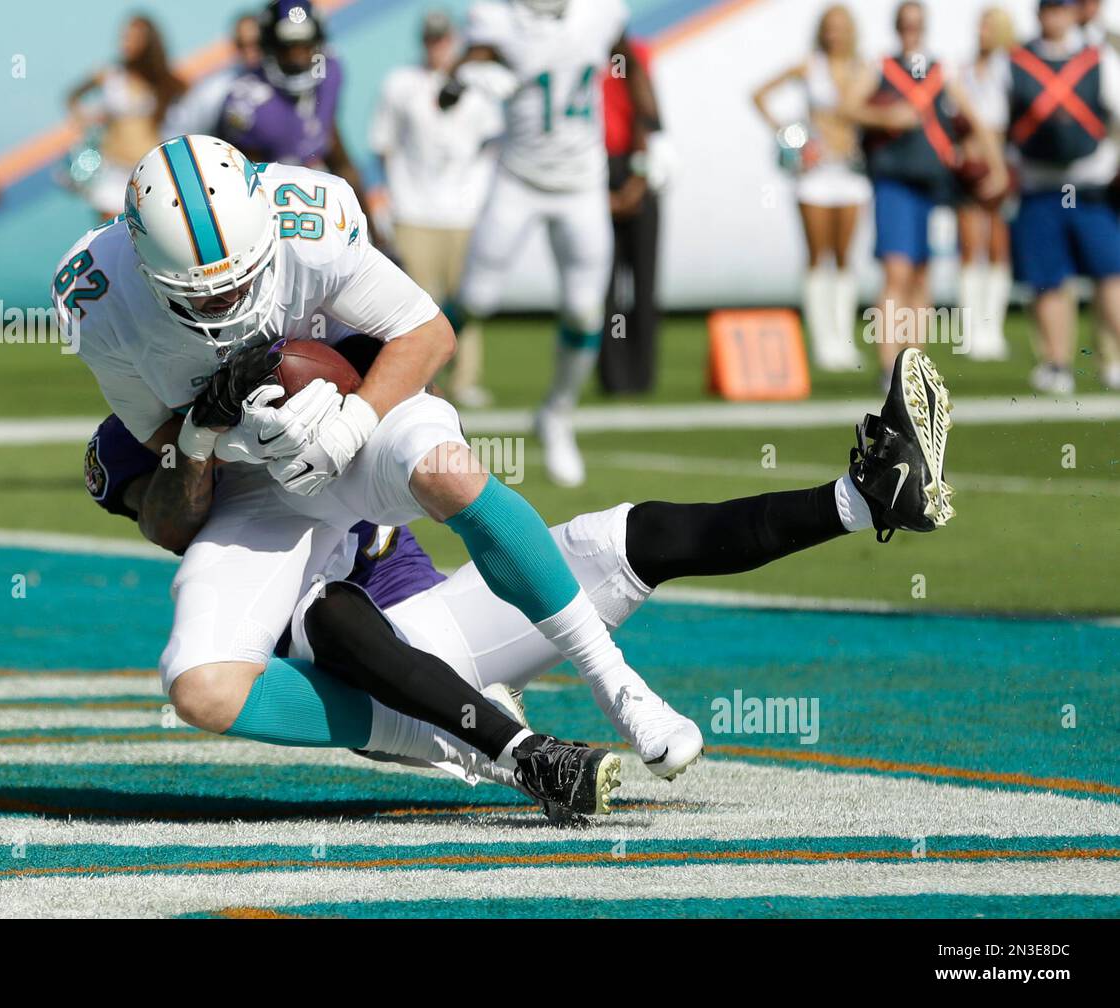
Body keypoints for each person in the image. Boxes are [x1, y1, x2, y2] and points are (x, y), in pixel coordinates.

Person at [55, 137, 714, 821]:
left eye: (243, 279)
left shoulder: (310, 220)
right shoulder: (98, 301)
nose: (229, 301)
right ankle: (462, 743)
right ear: (143, 263)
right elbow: (169, 498)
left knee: (447, 470)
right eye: (204, 292)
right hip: (251, 484)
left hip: (352, 421)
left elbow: (426, 333)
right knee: (201, 689)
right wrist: (199, 437)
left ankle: (615, 681)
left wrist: (350, 424)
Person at [83, 344, 955, 822]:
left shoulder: (269, 347)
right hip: (379, 683)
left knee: (629, 536)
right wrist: (199, 437)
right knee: (331, 616)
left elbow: (397, 347)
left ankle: (864, 496)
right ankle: (524, 756)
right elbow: (167, 512)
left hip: (444, 611)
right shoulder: (162, 456)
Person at [440, 0, 675, 487]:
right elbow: (457, 78)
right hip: (518, 180)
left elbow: (627, 63)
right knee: (477, 297)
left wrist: (653, 132)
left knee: (584, 311)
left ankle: (557, 413)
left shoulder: (598, 14)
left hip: (581, 183)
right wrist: (467, 79)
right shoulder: (497, 20)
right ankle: (413, 381)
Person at [842, 1, 1008, 389]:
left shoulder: (940, 71)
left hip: (932, 186)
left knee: (922, 275)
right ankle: (888, 363)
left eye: (917, 26)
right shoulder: (881, 67)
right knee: (896, 270)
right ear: (897, 28)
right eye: (905, 26)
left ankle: (912, 364)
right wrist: (886, 117)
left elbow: (977, 120)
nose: (910, 33)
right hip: (894, 181)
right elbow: (848, 106)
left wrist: (997, 169)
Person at [369, 10, 502, 408]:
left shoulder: (480, 88)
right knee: (417, 304)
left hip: (465, 210)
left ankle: (466, 379)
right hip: (415, 210)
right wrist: (391, 196)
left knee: (469, 299)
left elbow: (492, 144)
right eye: (431, 39)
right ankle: (422, 377)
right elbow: (383, 143)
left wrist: (481, 196)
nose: (438, 47)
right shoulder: (401, 83)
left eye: (444, 39)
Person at [1004, 0, 1120, 396]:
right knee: (1048, 279)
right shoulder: (1017, 61)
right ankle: (1057, 363)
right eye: (1049, 9)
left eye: (1062, 9)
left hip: (1090, 184)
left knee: (1110, 272)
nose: (1055, 17)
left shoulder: (1098, 57)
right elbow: (998, 117)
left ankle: (1115, 361)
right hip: (1040, 184)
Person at [753, 4, 870, 373]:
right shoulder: (809, 65)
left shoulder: (863, 67)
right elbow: (759, 94)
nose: (835, 34)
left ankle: (843, 341)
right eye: (829, 28)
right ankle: (823, 342)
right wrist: (790, 136)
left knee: (845, 256)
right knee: (817, 255)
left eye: (841, 28)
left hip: (851, 171)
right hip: (816, 175)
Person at [217, 0, 373, 226]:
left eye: (305, 45)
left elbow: (337, 155)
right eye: (287, 47)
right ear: (269, 48)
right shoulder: (247, 104)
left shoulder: (330, 72)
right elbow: (244, 192)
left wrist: (375, 235)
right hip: (268, 217)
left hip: (311, 206)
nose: (298, 57)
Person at [599, 35, 669, 394]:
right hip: (594, 169)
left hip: (636, 166)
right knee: (603, 286)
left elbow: (649, 117)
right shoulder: (577, 54)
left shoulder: (635, 54)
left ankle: (642, 378)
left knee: (644, 280)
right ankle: (614, 378)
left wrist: (638, 181)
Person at [66, 15, 185, 221]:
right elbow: (72, 96)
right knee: (111, 235)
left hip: (150, 170)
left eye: (134, 38)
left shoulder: (162, 81)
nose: (126, 42)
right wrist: (87, 122)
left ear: (148, 43)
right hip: (112, 169)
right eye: (125, 37)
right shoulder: (109, 73)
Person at [957, 7, 1016, 362]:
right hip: (971, 167)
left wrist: (1000, 167)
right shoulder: (965, 70)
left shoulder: (1011, 67)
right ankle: (971, 331)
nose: (982, 31)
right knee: (969, 245)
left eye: (989, 25)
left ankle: (992, 330)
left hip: (1003, 162)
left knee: (997, 244)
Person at [1078, 0, 1120, 390]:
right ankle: (1110, 356)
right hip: (1094, 174)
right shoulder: (1053, 48)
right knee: (1106, 269)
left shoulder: (1114, 43)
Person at [161, 11, 262, 139]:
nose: (250, 52)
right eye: (242, 45)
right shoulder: (216, 89)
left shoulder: (285, 84)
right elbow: (177, 129)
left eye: (255, 43)